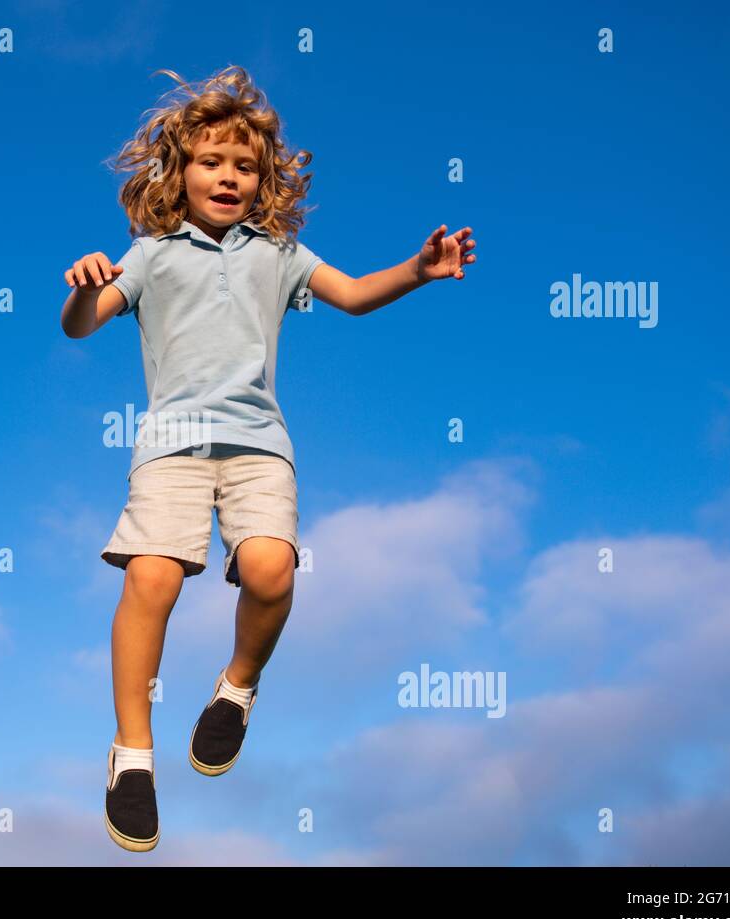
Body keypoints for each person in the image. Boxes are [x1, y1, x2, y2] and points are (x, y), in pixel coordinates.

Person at [60, 65, 478, 852]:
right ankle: (134, 757)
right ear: (177, 172)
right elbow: (80, 326)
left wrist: (419, 272)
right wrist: (85, 287)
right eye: (211, 161)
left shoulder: (278, 253)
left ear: (263, 182)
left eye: (244, 166)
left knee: (270, 571)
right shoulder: (148, 256)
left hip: (258, 445)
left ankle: (237, 688)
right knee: (151, 576)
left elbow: (351, 294)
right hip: (170, 447)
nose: (228, 176)